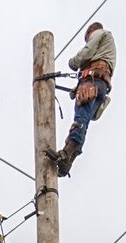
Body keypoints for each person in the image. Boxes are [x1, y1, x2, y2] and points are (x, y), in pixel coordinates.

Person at [46, 21, 117, 177]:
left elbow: (87, 51)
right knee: (83, 122)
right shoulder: (108, 51)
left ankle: (66, 153)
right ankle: (68, 160)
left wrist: (74, 62)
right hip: (100, 86)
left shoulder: (100, 33)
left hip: (91, 82)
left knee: (80, 120)